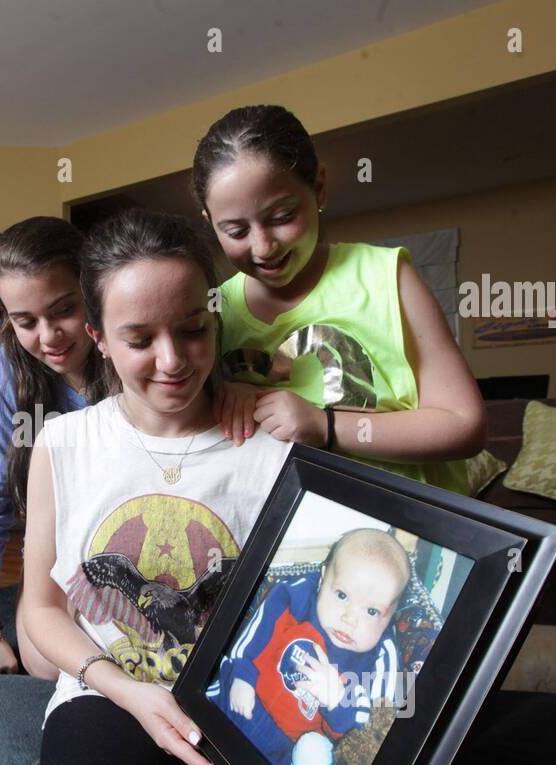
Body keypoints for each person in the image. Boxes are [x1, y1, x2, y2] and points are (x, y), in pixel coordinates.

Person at [21, 208, 470, 765]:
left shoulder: (276, 447)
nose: (172, 361)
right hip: (107, 696)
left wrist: (412, 752)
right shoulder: (62, 444)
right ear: (99, 337)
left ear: (214, 318)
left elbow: (359, 595)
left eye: (193, 331)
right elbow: (39, 607)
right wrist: (123, 688)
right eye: (139, 339)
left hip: (248, 705)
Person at [195, 105, 485, 495]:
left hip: (402, 525)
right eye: (235, 230)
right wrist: (231, 400)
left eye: (281, 216)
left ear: (318, 188)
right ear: (210, 222)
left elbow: (465, 426)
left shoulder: (387, 278)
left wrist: (324, 426)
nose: (263, 247)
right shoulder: (213, 309)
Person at [0, 217, 110, 676]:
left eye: (64, 310)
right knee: (44, 663)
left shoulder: (129, 346)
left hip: (137, 538)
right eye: (26, 321)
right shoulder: (8, 370)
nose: (48, 336)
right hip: (61, 553)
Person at [216, 529, 410, 765]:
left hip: (284, 748)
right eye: (342, 595)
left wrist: (337, 701)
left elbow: (369, 732)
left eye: (372, 611)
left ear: (390, 619)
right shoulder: (295, 597)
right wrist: (242, 674)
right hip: (236, 701)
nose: (350, 619)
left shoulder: (379, 661)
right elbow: (254, 635)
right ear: (321, 581)